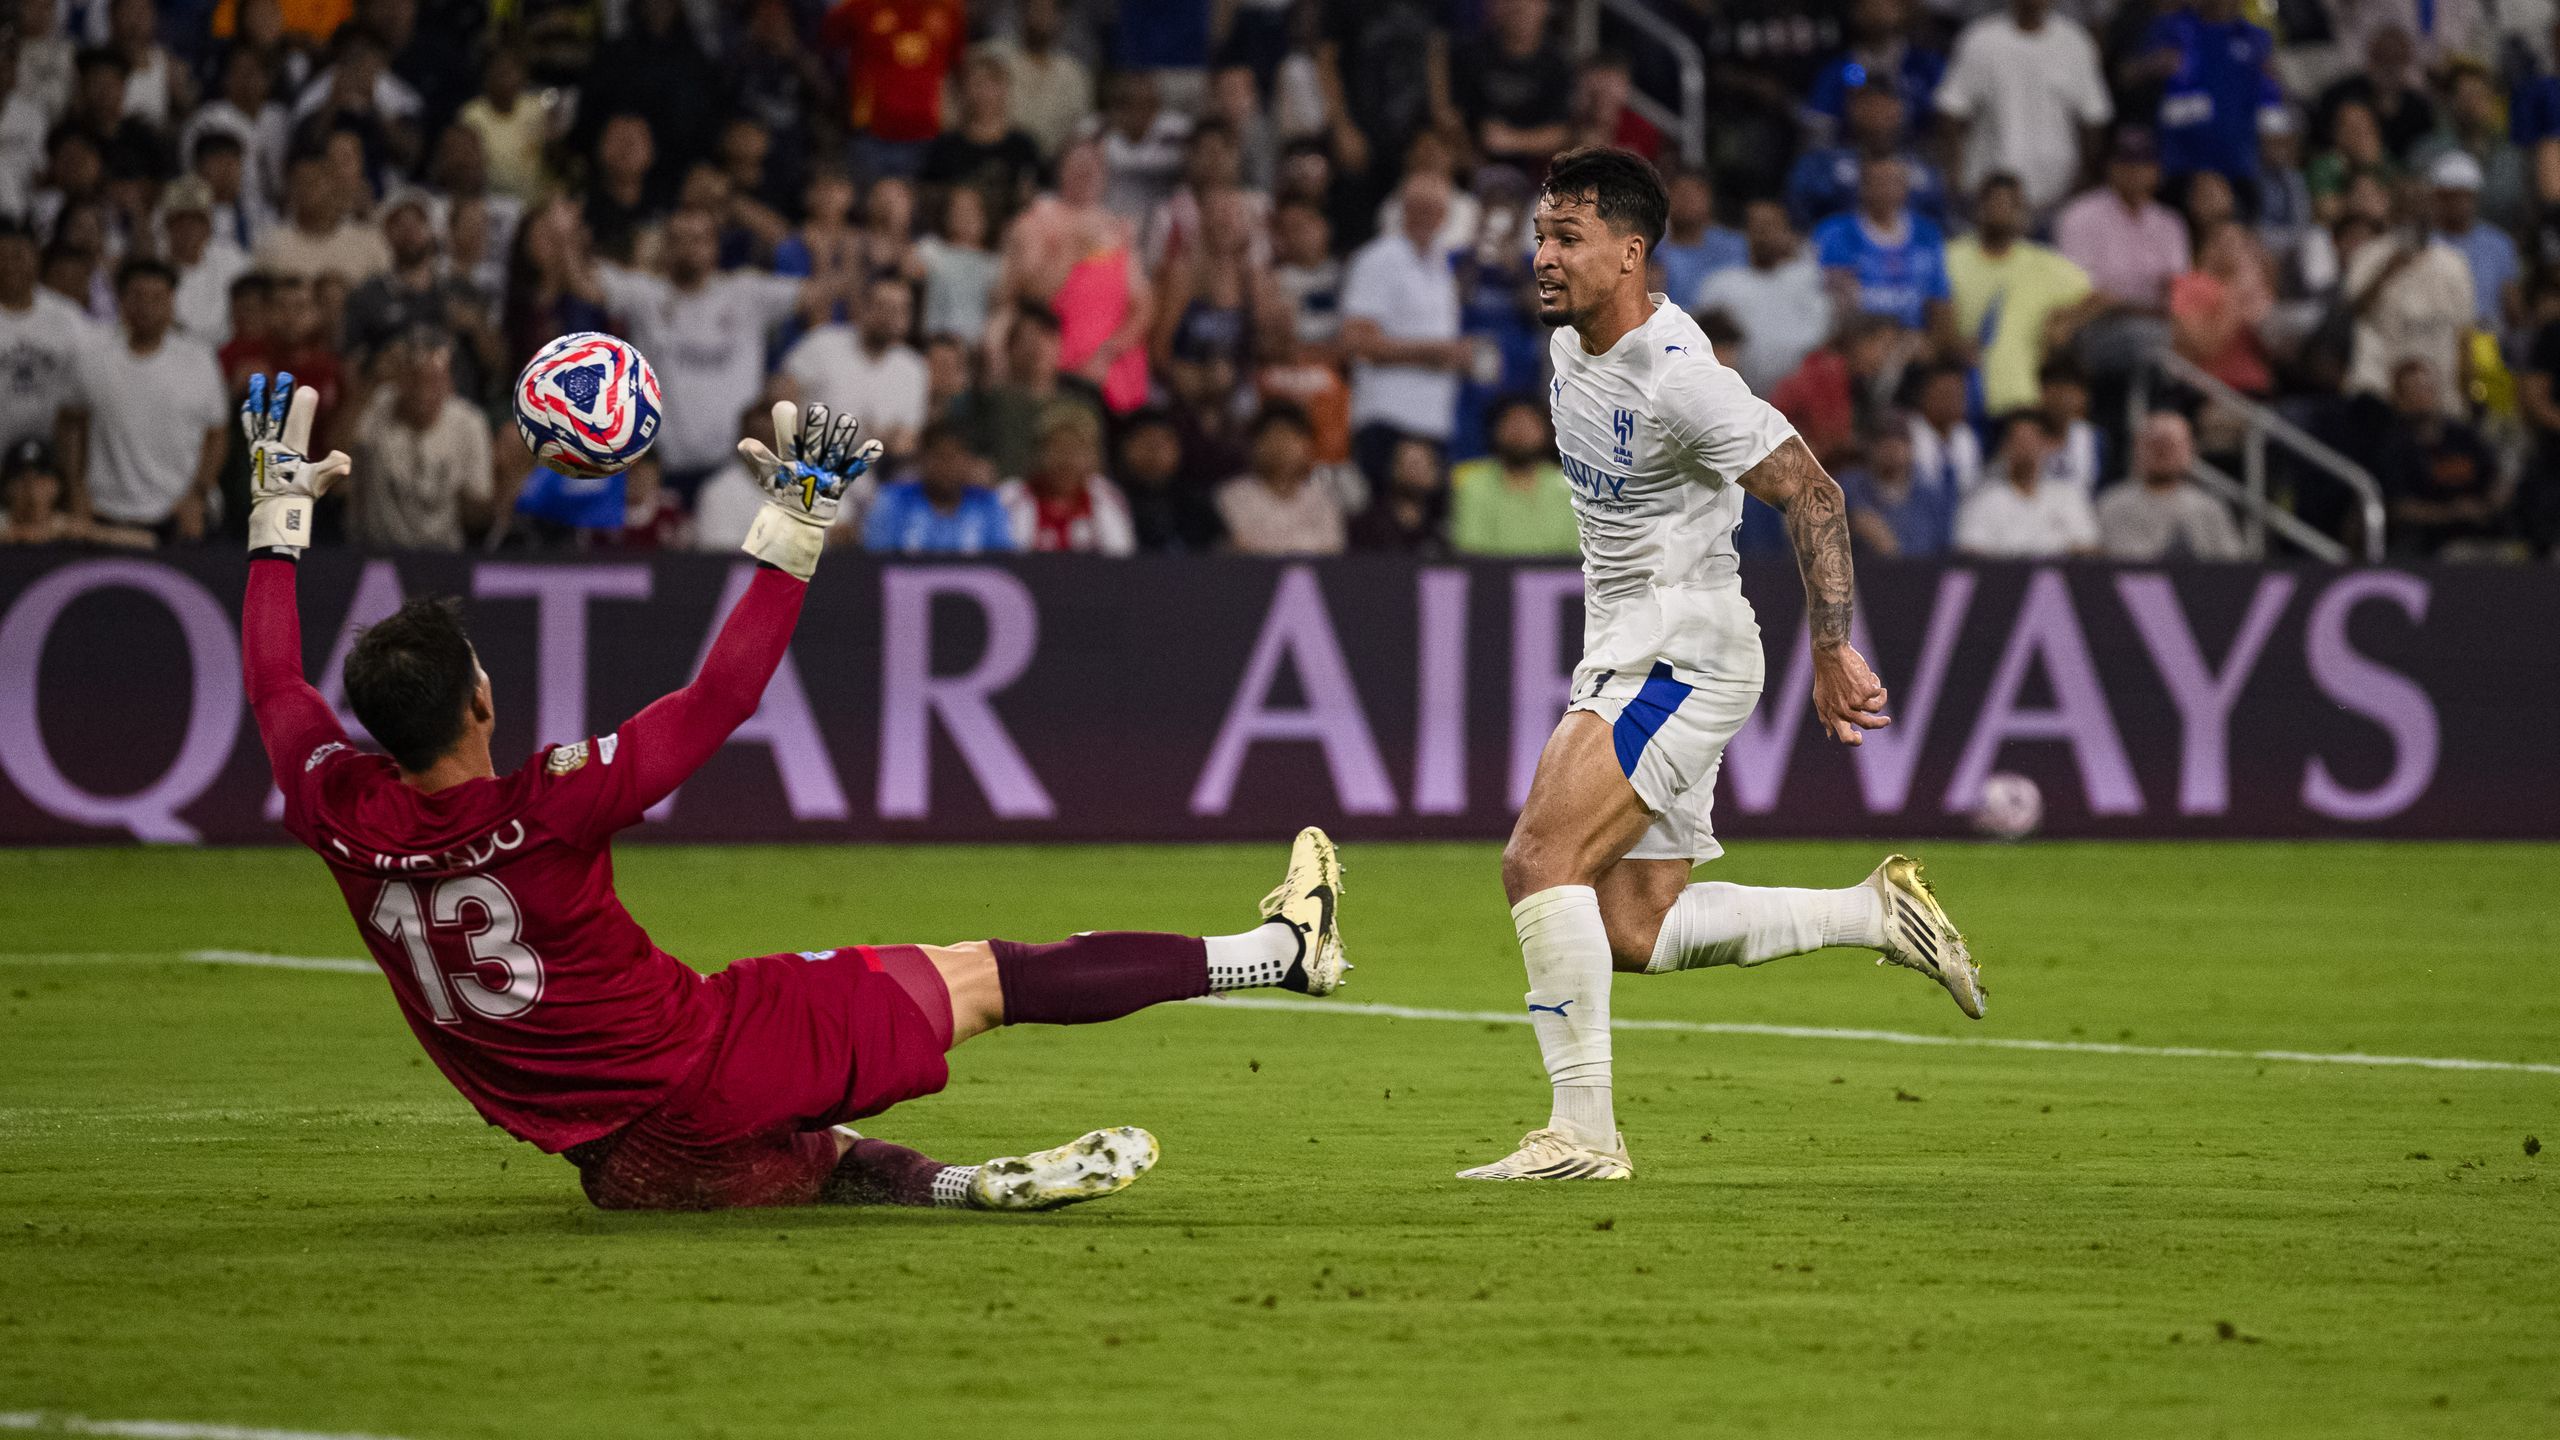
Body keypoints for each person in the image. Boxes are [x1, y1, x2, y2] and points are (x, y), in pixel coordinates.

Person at [236, 376, 1351, 1211]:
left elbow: (278, 687)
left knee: (812, 1153)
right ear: (480, 700)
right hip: (706, 1062)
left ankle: (958, 1188)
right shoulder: (547, 808)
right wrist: (797, 525)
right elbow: (719, 698)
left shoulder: (336, 804)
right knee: (986, 976)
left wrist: (279, 512)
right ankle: (1276, 954)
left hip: (618, 1168)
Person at [1460, 148, 1980, 1185]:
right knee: (1631, 928)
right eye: (1540, 238)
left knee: (1537, 861)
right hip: (1633, 645)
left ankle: (1583, 1137)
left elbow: (1815, 492)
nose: (1545, 258)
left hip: (1676, 653)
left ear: (1629, 251)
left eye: (1567, 239)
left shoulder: (1681, 378)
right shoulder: (1574, 347)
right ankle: (1869, 911)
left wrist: (1831, 649)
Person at [65, 259, 230, 541]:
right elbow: (70, 424)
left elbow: (217, 435)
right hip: (105, 513)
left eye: (158, 297)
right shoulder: (93, 357)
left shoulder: (199, 360)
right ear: (122, 301)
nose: (147, 306)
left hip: (177, 514)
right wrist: (76, 489)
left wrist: (198, 495)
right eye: (137, 296)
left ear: (171, 302)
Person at [1340, 168, 1468, 489]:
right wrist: (1435, 352)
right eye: (1418, 208)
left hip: (1435, 420)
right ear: (1402, 209)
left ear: (1446, 215)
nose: (1427, 217)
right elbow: (1356, 341)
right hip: (1386, 415)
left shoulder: (1443, 267)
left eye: (1435, 209)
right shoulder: (1377, 260)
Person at [1935, 0, 2112, 214]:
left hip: (2056, 194)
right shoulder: (1981, 38)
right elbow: (1952, 111)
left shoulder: (2075, 42)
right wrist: (1955, 176)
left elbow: (2094, 118)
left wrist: (2085, 180)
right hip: (1988, 192)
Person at [1945, 173, 2097, 417]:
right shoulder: (1950, 258)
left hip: (2022, 400)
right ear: (1978, 208)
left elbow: (2099, 296)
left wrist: (2069, 319)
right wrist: (1952, 346)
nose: (2001, 211)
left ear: (2022, 212)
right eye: (1994, 202)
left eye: (2010, 204)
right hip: (1963, 399)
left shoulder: (2043, 263)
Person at [1810, 155, 1952, 346]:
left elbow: (1940, 300)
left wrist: (1932, 347)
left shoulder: (1927, 234)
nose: (1884, 190)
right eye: (1876, 182)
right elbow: (1833, 303)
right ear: (1862, 188)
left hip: (1913, 346)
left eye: (1893, 182)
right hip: (1856, 346)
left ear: (1905, 188)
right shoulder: (1836, 232)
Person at [783, 275, 930, 460]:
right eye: (883, 307)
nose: (891, 317)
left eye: (901, 310)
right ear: (864, 308)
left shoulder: (913, 368)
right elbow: (784, 396)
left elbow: (908, 438)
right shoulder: (823, 342)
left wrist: (888, 441)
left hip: (876, 470)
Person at [1697, 200, 1833, 396]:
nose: (1764, 235)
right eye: (1757, 227)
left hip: (1800, 395)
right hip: (1738, 393)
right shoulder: (1720, 284)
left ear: (1787, 232)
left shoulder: (1807, 279)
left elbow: (1823, 339)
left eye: (1771, 226)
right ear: (1745, 233)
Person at [2373, 358, 2507, 556]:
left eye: (2427, 388)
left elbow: (2497, 479)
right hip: (2426, 543)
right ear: (2399, 399)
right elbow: (2398, 507)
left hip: (2483, 533)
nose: (2423, 396)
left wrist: (2487, 506)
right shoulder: (2393, 446)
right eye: (2413, 390)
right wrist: (2450, 513)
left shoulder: (2463, 436)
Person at [2096, 410, 2245, 560]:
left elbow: (2233, 565)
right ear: (2137, 449)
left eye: (2170, 445)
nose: (2162, 453)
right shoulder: (2111, 504)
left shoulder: (2209, 507)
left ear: (2190, 450)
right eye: (2154, 445)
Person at [1954, 410, 2098, 557]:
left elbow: (2087, 547)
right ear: (2005, 448)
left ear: (2046, 446)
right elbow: (1971, 551)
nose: (2025, 448)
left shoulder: (2068, 496)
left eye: (2031, 440)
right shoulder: (1984, 499)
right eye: (2018, 441)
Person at [1450, 393, 1579, 555]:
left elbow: (1575, 554)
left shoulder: (1570, 486)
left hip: (1554, 579)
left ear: (1547, 432)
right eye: (1512, 422)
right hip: (1492, 578)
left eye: (1529, 423)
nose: (1520, 432)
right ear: (1495, 430)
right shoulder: (1473, 482)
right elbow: (1471, 551)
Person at [997, 402, 1135, 553]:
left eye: (1076, 450)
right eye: (1057, 449)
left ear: (1093, 457)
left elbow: (1121, 562)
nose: (1066, 460)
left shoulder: (1107, 498)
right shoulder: (1008, 497)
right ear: (1039, 453)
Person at [865, 420, 1015, 554]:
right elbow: (875, 560)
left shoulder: (987, 504)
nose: (947, 467)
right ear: (921, 459)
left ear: (968, 461)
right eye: (940, 457)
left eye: (955, 458)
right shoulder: (893, 500)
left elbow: (1004, 561)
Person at [2422, 150, 2515, 332]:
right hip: (2440, 334)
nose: (2459, 204)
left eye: (2465, 195)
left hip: (2490, 337)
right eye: (2451, 196)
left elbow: (2512, 304)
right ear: (2438, 198)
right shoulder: (2425, 243)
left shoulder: (2499, 243)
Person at [1840, 421, 1950, 557]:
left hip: (1919, 573)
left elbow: (1943, 549)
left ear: (1911, 448)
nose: (1892, 449)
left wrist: (1892, 547)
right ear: (1871, 448)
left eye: (1899, 442)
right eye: (1884, 442)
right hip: (1865, 572)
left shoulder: (1929, 496)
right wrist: (1854, 523)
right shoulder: (1849, 488)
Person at [1651, 165, 1747, 308]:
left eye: (1694, 194)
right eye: (1680, 193)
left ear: (1709, 199)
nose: (1686, 201)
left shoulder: (1735, 246)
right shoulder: (1653, 250)